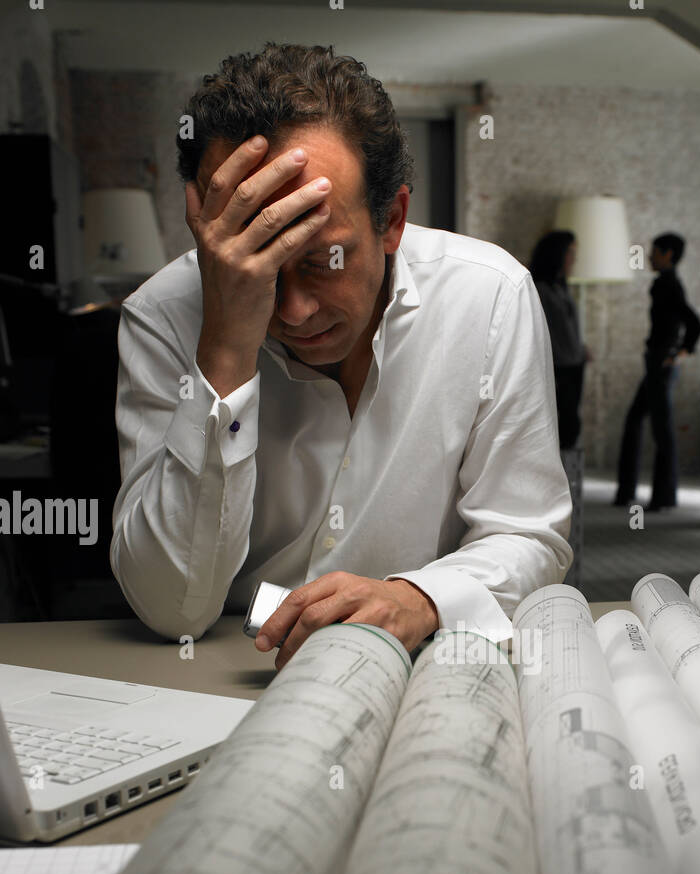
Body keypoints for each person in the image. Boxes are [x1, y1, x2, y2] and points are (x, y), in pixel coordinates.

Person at [110, 41, 572, 668]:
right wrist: (225, 342)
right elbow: (173, 607)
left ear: (393, 220)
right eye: (260, 261)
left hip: (428, 664)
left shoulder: (490, 297)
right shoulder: (163, 315)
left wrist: (422, 598)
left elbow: (527, 531)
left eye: (324, 259)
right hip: (224, 668)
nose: (294, 310)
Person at [614, 232, 700, 511]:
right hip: (657, 362)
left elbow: (694, 323)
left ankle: (661, 496)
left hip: (661, 364)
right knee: (638, 422)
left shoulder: (669, 285)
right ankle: (632, 492)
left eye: (654, 251)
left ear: (668, 255)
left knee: (659, 430)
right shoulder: (664, 284)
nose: (650, 256)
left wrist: (680, 352)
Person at [529, 231, 590, 449]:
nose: (574, 259)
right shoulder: (540, 289)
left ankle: (570, 475)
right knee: (563, 425)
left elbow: (566, 327)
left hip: (573, 364)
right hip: (557, 367)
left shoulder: (560, 287)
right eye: (570, 253)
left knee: (571, 423)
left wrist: (580, 348)